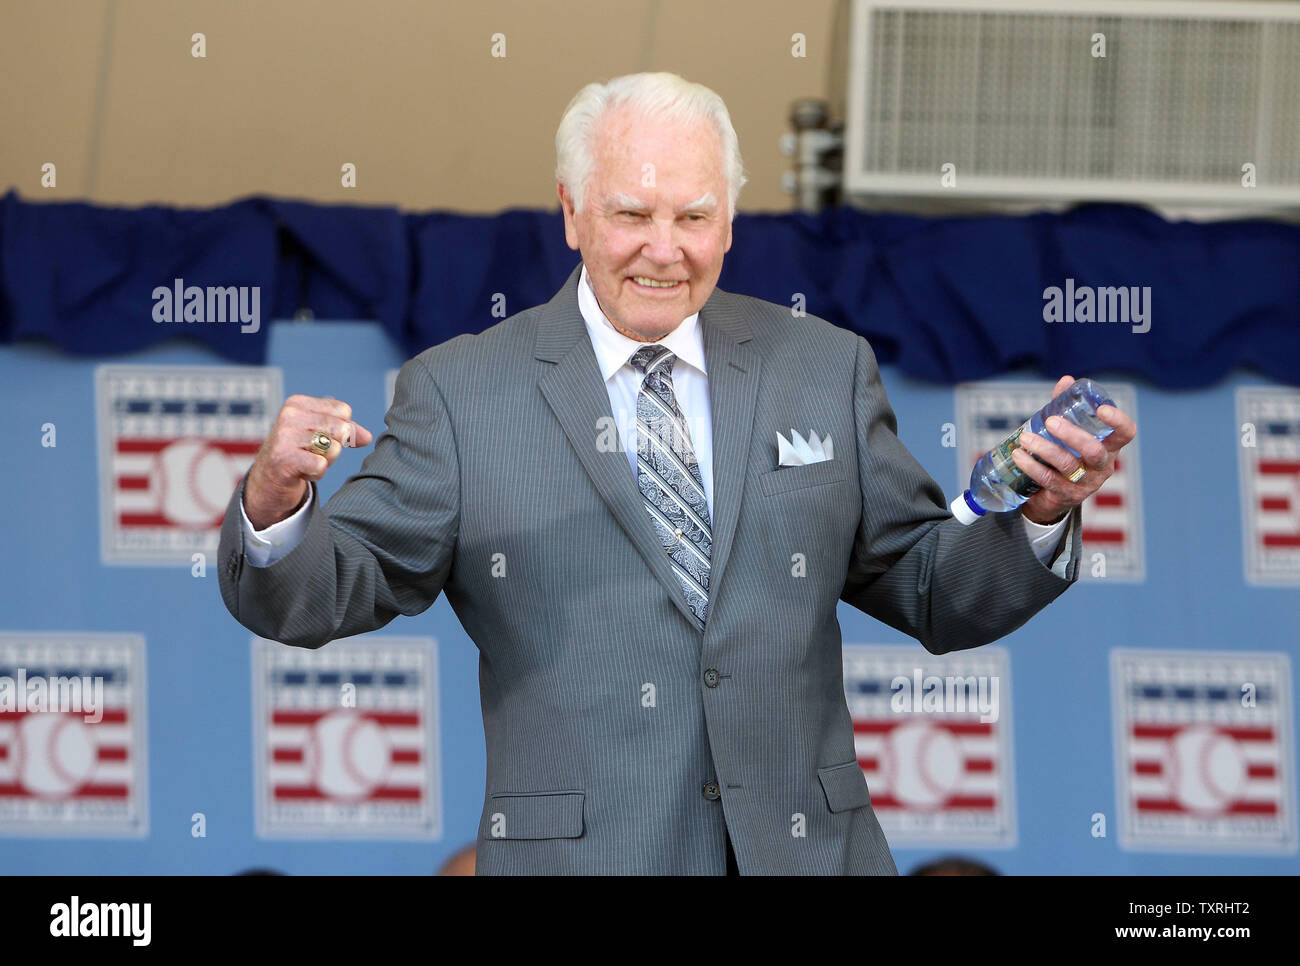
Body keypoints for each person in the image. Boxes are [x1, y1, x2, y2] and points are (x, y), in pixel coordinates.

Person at [217, 72, 1136, 875]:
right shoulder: (462, 393)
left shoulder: (823, 367)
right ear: (571, 211)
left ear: (730, 220)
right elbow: (328, 591)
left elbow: (933, 588)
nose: (666, 249)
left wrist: (1043, 505)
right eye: (631, 214)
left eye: (694, 216)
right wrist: (277, 503)